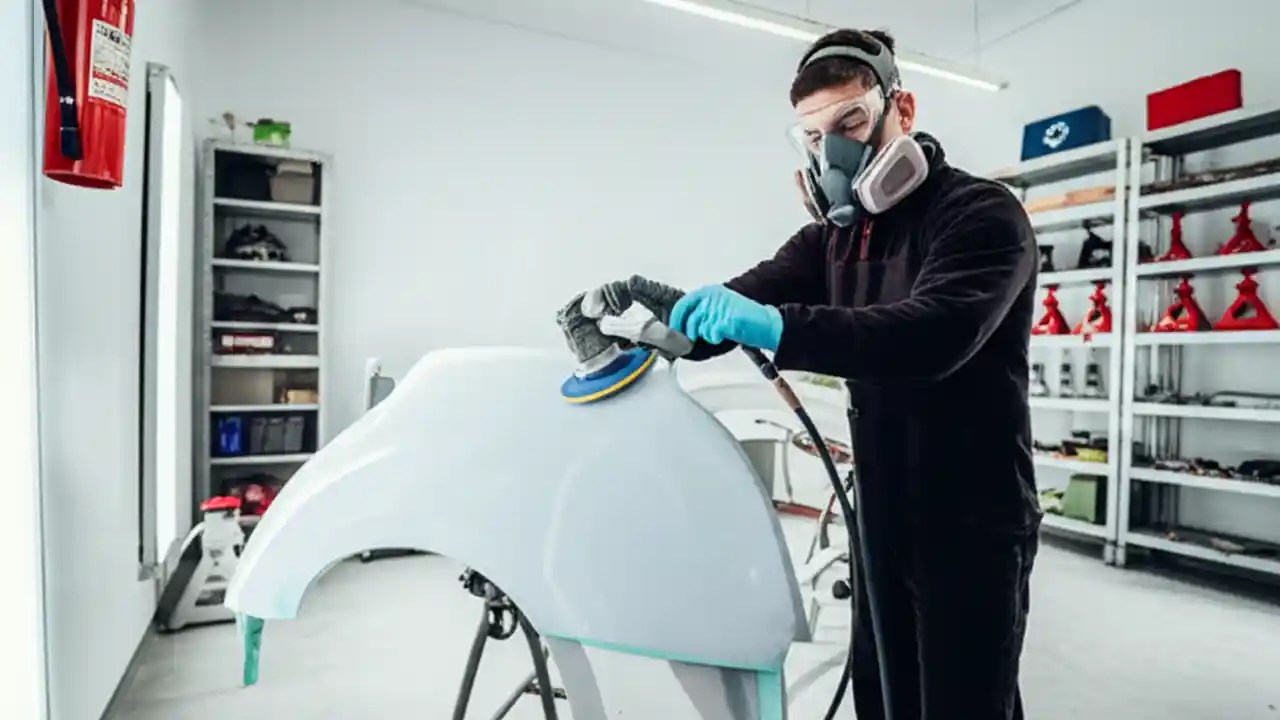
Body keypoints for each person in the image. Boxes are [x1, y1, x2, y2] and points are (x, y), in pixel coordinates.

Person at [667, 28, 1040, 720]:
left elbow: (934, 336)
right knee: (884, 696)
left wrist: (779, 329)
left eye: (851, 123)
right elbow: (746, 297)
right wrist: (655, 325)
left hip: (972, 520)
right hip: (881, 513)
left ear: (904, 107)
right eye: (814, 136)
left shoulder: (981, 214)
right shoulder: (833, 237)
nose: (832, 151)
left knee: (963, 704)